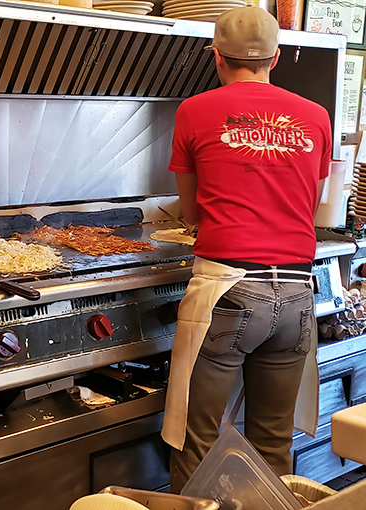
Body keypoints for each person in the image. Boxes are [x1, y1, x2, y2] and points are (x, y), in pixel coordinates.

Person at [161, 6, 333, 494]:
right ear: (276, 57)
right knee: (272, 446)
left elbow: (192, 213)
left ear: (216, 56)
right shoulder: (316, 117)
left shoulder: (194, 110)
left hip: (229, 291)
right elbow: (312, 205)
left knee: (196, 441)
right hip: (298, 293)